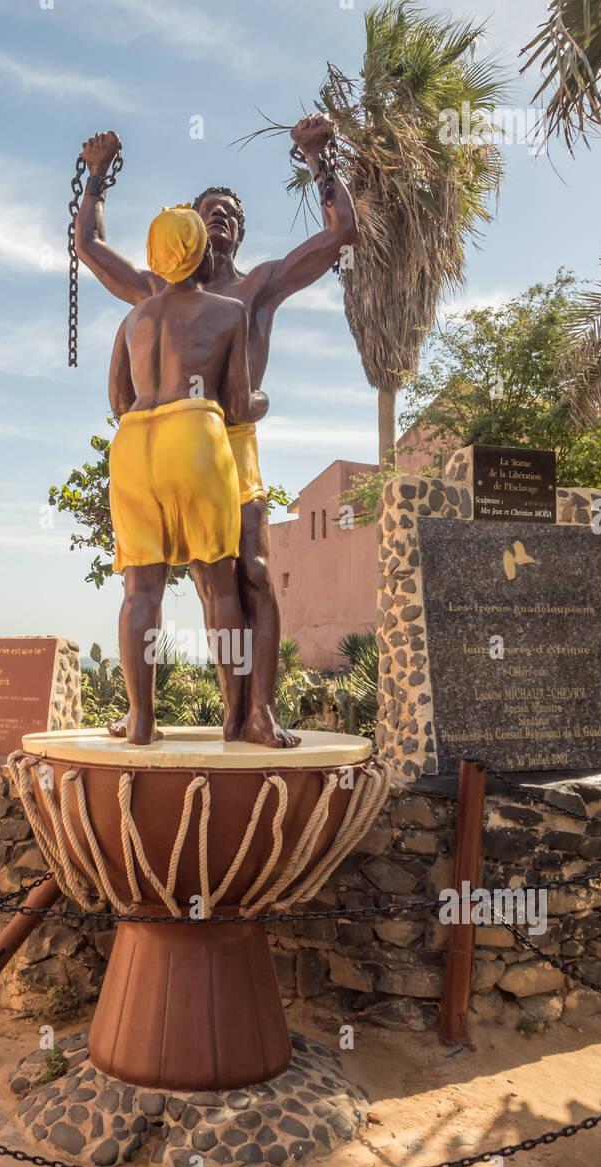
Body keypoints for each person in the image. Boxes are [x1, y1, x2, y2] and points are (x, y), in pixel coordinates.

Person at [76, 114, 357, 747]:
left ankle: (255, 711)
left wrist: (319, 158)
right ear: (195, 232)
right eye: (210, 212)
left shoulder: (255, 288)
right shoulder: (156, 292)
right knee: (190, 579)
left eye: (231, 212)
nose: (222, 218)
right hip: (183, 440)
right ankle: (183, 713)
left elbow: (342, 232)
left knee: (250, 571)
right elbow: (90, 250)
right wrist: (95, 179)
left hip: (233, 448)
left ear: (238, 231)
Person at [107, 205, 267, 746]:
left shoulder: (133, 320)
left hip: (134, 443)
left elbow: (117, 400)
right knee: (219, 586)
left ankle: (141, 721)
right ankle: (234, 716)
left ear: (154, 255)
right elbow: (240, 405)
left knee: (139, 590)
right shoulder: (228, 312)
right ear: (201, 254)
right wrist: (262, 402)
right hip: (195, 436)